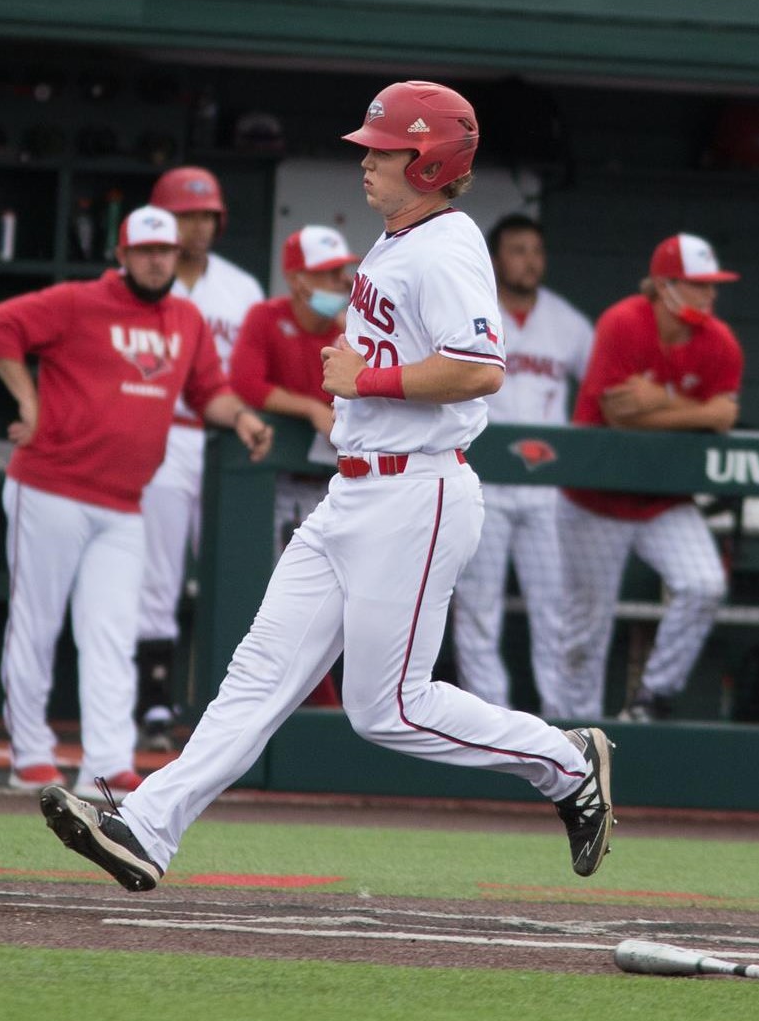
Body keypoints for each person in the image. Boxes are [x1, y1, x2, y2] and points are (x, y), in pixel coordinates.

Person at [38, 80, 615, 892]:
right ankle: (145, 827)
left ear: (430, 160)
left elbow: (483, 370)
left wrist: (370, 380)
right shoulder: (394, 242)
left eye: (382, 150)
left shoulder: (446, 247)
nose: (367, 163)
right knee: (258, 673)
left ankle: (566, 762)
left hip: (418, 493)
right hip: (353, 493)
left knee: (389, 710)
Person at [0, 206, 271, 799]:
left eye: (168, 253)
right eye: (146, 251)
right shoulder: (79, 301)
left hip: (126, 499)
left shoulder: (186, 318)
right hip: (51, 485)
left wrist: (241, 418)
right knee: (37, 622)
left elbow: (208, 391)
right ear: (122, 254)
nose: (158, 261)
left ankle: (106, 760)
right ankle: (29, 754)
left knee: (110, 632)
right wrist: (26, 399)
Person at [555, 234, 741, 722]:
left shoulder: (720, 342)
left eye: (711, 286)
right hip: (594, 498)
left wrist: (658, 401)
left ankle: (653, 696)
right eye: (697, 285)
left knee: (703, 584)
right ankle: (578, 739)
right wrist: (695, 412)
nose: (709, 296)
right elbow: (617, 414)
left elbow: (724, 417)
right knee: (583, 634)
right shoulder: (624, 321)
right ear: (664, 286)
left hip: (663, 499)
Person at [135, 166, 267, 750]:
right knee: (159, 577)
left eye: (206, 215)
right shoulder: (137, 280)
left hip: (225, 437)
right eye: (187, 215)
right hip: (160, 436)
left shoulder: (241, 288)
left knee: (230, 572)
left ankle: (232, 706)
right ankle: (155, 702)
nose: (198, 226)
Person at [451, 214, 593, 716]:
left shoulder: (567, 322)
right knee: (478, 609)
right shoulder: (473, 312)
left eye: (536, 250)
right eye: (518, 250)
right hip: (484, 482)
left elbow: (599, 392)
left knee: (554, 611)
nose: (529, 261)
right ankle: (489, 723)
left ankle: (562, 724)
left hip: (547, 493)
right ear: (495, 259)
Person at [228, 225, 360, 548]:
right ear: (296, 279)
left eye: (341, 270)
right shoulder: (266, 317)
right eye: (327, 273)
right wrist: (310, 409)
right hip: (278, 479)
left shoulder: (352, 329)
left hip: (340, 481)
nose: (340, 280)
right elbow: (246, 385)